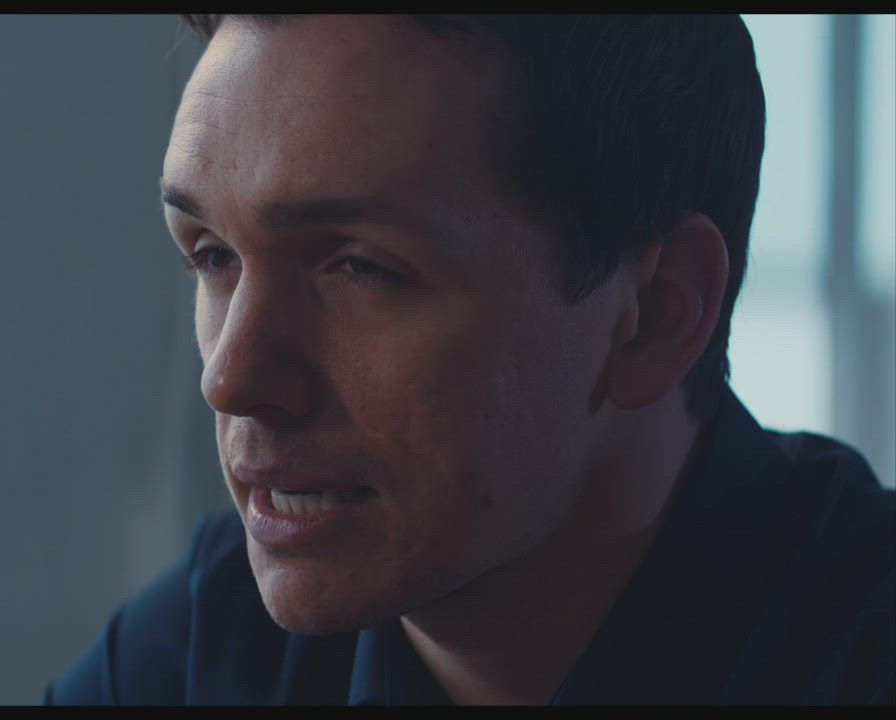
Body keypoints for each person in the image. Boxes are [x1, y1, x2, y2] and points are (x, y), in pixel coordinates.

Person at [44, 14, 895, 705]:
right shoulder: (200, 654)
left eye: (359, 267)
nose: (231, 379)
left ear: (657, 315)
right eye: (213, 255)